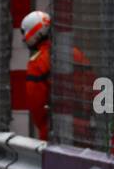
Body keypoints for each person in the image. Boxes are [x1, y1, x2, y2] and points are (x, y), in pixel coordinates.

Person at [20, 9, 94, 145]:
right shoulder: (76, 53)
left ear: (35, 32)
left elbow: (36, 105)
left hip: (54, 130)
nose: (24, 38)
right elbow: (93, 87)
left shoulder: (37, 63)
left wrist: (44, 126)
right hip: (85, 128)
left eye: (25, 32)